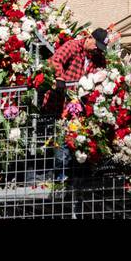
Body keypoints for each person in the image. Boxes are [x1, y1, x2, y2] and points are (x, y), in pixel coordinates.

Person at [44, 28, 109, 183]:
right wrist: (60, 76)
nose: (96, 49)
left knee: (76, 140)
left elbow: (102, 73)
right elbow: (56, 59)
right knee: (60, 140)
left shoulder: (97, 58)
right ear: (89, 37)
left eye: (99, 48)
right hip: (59, 104)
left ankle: (75, 176)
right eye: (96, 45)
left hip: (78, 109)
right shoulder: (73, 46)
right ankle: (59, 177)